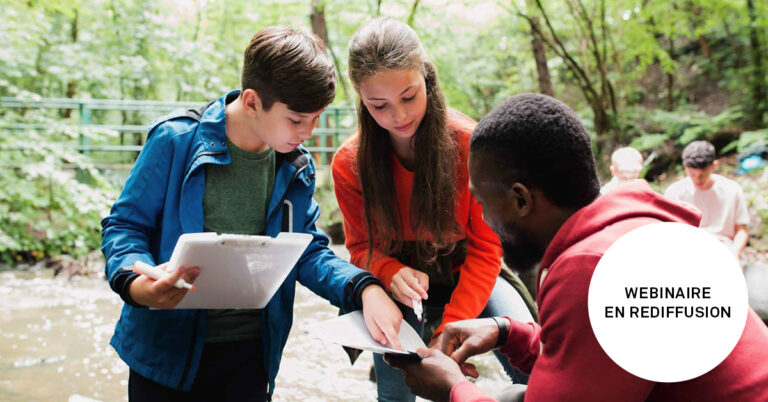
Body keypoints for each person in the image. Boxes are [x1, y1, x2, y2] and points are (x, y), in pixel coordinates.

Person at [387, 93, 768, 401]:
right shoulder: (635, 226)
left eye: (483, 203)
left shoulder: (590, 270)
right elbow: (594, 359)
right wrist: (507, 332)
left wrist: (452, 388)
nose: (483, 220)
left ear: (521, 199)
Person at [101, 27, 402, 401]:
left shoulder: (295, 165)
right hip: (164, 354)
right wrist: (138, 286)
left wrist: (364, 287)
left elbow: (306, 251)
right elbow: (125, 227)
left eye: (316, 118)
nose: (308, 132)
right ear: (251, 102)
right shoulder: (174, 141)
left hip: (252, 355)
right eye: (296, 120)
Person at [331, 18, 536, 402]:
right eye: (379, 105)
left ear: (427, 77)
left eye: (409, 96)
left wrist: (450, 333)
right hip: (400, 285)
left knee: (531, 357)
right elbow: (359, 248)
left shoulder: (471, 144)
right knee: (396, 386)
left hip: (473, 270)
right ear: (361, 99)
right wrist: (390, 272)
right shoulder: (349, 162)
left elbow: (486, 249)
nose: (398, 116)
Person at [664, 140, 750, 258]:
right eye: (693, 174)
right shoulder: (675, 192)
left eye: (703, 174)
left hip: (724, 247)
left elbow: (741, 231)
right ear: (685, 168)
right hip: (688, 249)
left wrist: (735, 253)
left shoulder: (731, 189)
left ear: (714, 165)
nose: (698, 179)